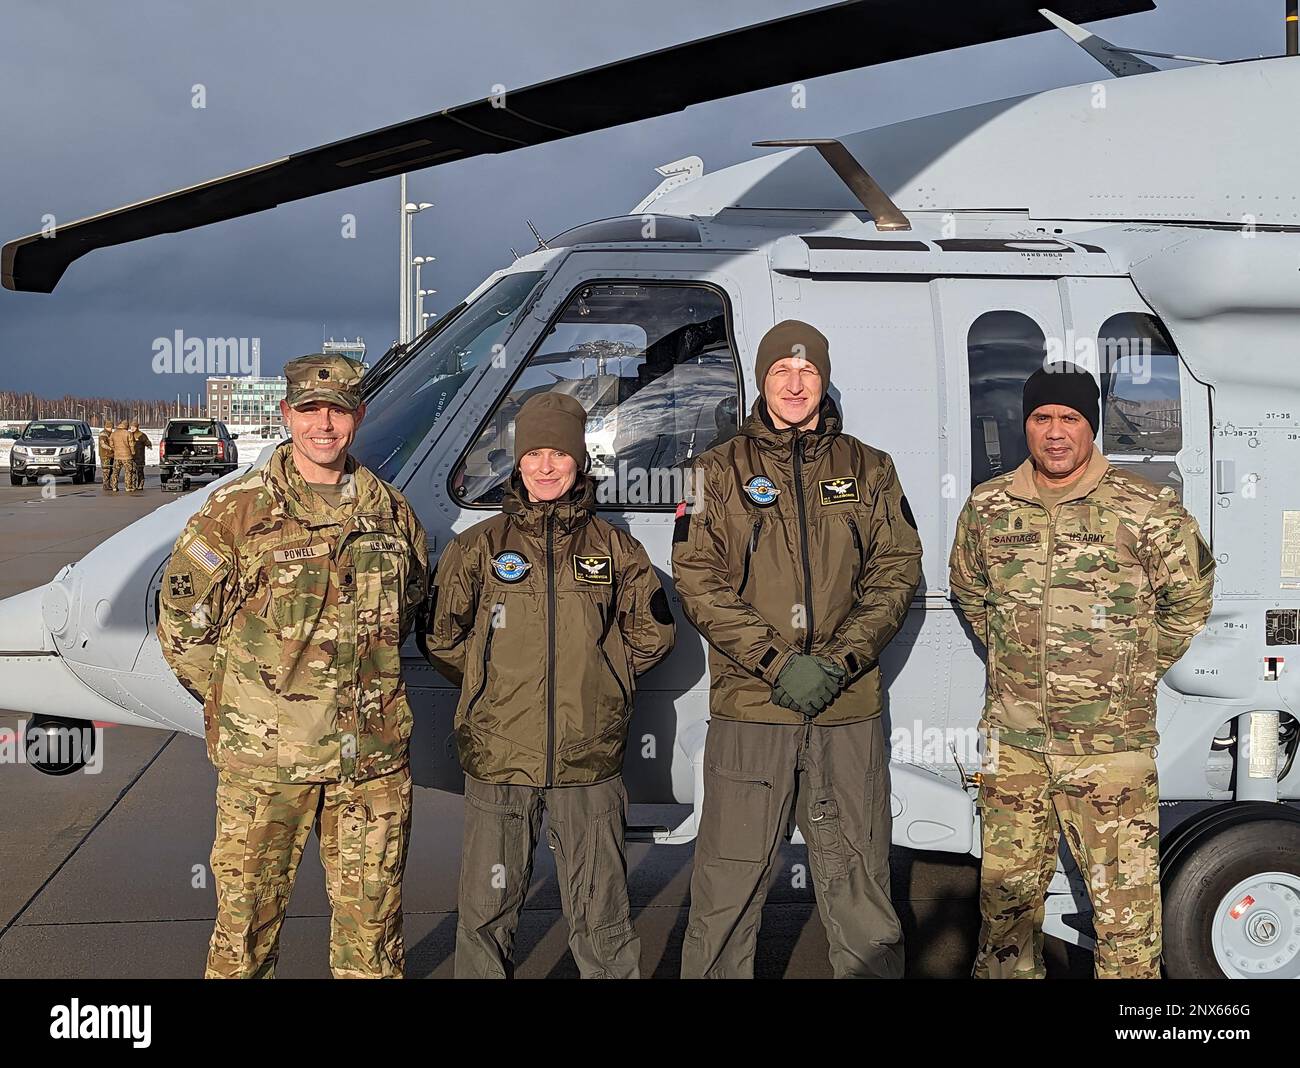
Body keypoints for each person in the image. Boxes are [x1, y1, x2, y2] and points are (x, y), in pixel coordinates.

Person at [157, 353, 428, 978]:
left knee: (374, 940)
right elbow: (182, 627)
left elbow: (406, 609)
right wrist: (253, 709)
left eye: (337, 410)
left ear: (358, 416)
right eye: (309, 410)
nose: (323, 425)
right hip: (265, 769)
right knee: (245, 934)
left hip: (371, 765)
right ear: (287, 414)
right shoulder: (237, 513)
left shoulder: (389, 514)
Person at [672, 319, 922, 978]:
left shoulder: (871, 468)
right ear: (761, 380)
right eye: (781, 370)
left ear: (823, 380)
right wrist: (777, 662)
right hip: (753, 708)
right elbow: (700, 584)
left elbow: (896, 572)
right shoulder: (712, 473)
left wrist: (839, 662)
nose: (794, 383)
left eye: (807, 371)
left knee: (860, 882)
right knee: (728, 883)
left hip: (846, 710)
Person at [949, 362, 1215, 979]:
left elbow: (1189, 598)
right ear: (1027, 425)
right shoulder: (990, 507)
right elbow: (969, 590)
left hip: (1109, 749)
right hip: (1014, 746)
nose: (1056, 432)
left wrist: (1128, 671)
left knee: (1126, 919)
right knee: (1005, 917)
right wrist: (1011, 658)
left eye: (1070, 418)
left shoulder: (1144, 507)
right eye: (1043, 418)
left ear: (1090, 426)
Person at [421, 392, 675, 978]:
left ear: (578, 461)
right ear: (516, 462)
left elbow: (653, 634)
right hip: (499, 756)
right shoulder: (478, 548)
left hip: (588, 760)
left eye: (557, 454)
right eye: (533, 453)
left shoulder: (616, 551)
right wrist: (490, 681)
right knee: (487, 913)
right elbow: (442, 637)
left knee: (602, 912)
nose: (544, 466)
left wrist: (604, 679)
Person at [108, 420, 132, 492]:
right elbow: (132, 444)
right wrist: (132, 452)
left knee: (115, 472)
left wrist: (115, 449)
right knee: (128, 472)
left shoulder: (114, 433)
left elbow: (111, 443)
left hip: (117, 456)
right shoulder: (128, 433)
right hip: (127, 456)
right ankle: (128, 487)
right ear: (126, 426)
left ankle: (114, 487)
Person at [129, 421, 150, 492]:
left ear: (137, 427)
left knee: (140, 471)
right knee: (132, 471)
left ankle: (140, 484)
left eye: (134, 427)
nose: (132, 428)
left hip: (140, 456)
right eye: (131, 427)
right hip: (131, 456)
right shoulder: (129, 434)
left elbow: (147, 441)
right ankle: (133, 485)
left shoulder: (141, 435)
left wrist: (149, 444)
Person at [97, 424, 113, 490]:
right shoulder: (103, 434)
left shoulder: (110, 433)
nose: (111, 428)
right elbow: (103, 444)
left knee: (110, 470)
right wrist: (111, 449)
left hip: (111, 455)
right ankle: (105, 485)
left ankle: (108, 484)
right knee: (106, 470)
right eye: (110, 427)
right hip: (105, 455)